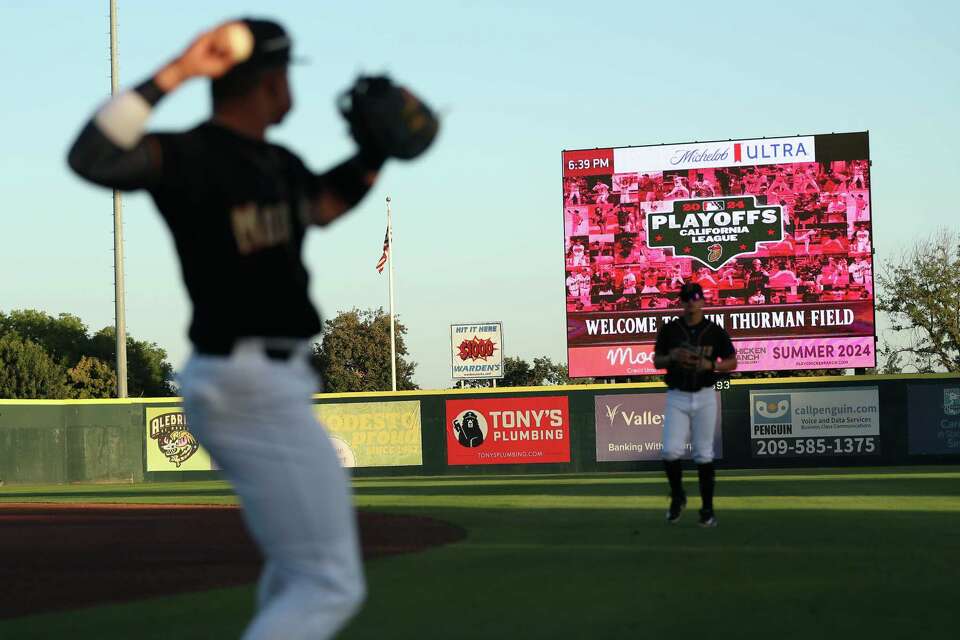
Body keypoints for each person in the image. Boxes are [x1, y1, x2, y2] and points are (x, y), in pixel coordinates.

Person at [67, 19, 436, 639]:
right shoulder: (189, 154)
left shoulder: (279, 163)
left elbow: (323, 204)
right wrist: (177, 73)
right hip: (246, 379)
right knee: (328, 582)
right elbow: (92, 156)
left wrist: (373, 155)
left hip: (264, 382)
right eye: (287, 74)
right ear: (268, 82)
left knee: (298, 575)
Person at [653, 282, 737, 527]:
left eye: (695, 298)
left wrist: (712, 365)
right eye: (687, 298)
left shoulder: (713, 330)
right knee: (670, 450)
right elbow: (657, 361)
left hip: (705, 394)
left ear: (702, 301)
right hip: (677, 394)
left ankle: (707, 510)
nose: (691, 302)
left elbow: (732, 362)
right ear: (682, 301)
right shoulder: (671, 330)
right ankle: (677, 495)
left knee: (703, 453)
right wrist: (672, 357)